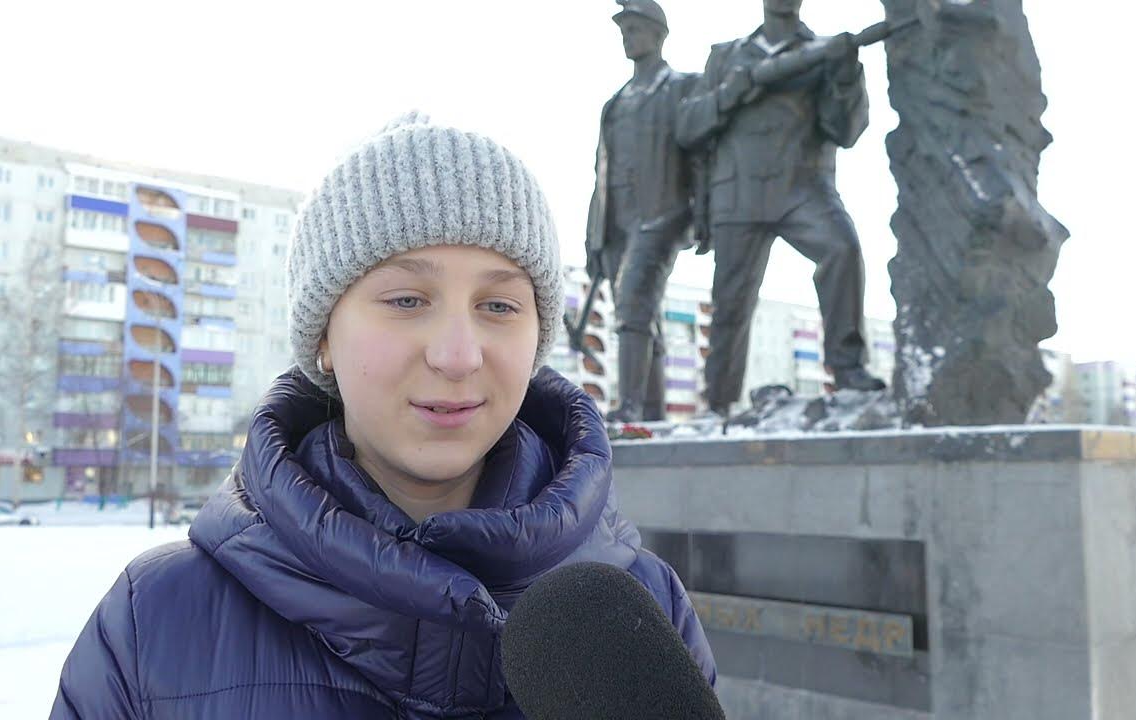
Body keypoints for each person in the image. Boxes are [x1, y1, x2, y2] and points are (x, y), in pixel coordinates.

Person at [50, 114, 715, 718]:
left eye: (499, 306)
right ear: (323, 337)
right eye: (405, 300)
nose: (457, 355)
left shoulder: (644, 609)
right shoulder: (155, 621)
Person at [677, 0, 887, 417]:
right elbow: (687, 129)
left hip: (802, 185)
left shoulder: (825, 49)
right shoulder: (726, 56)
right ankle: (718, 401)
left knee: (842, 250)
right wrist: (730, 92)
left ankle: (848, 369)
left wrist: (846, 74)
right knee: (730, 302)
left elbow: (845, 132)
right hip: (739, 194)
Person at [585, 0, 698, 422]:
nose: (627, 38)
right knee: (641, 314)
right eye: (623, 31)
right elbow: (599, 174)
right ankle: (652, 413)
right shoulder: (614, 104)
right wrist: (594, 237)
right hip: (617, 223)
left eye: (634, 29)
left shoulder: (682, 88)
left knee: (633, 301)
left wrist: (701, 215)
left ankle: (629, 407)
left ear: (658, 33)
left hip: (662, 215)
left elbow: (701, 156)